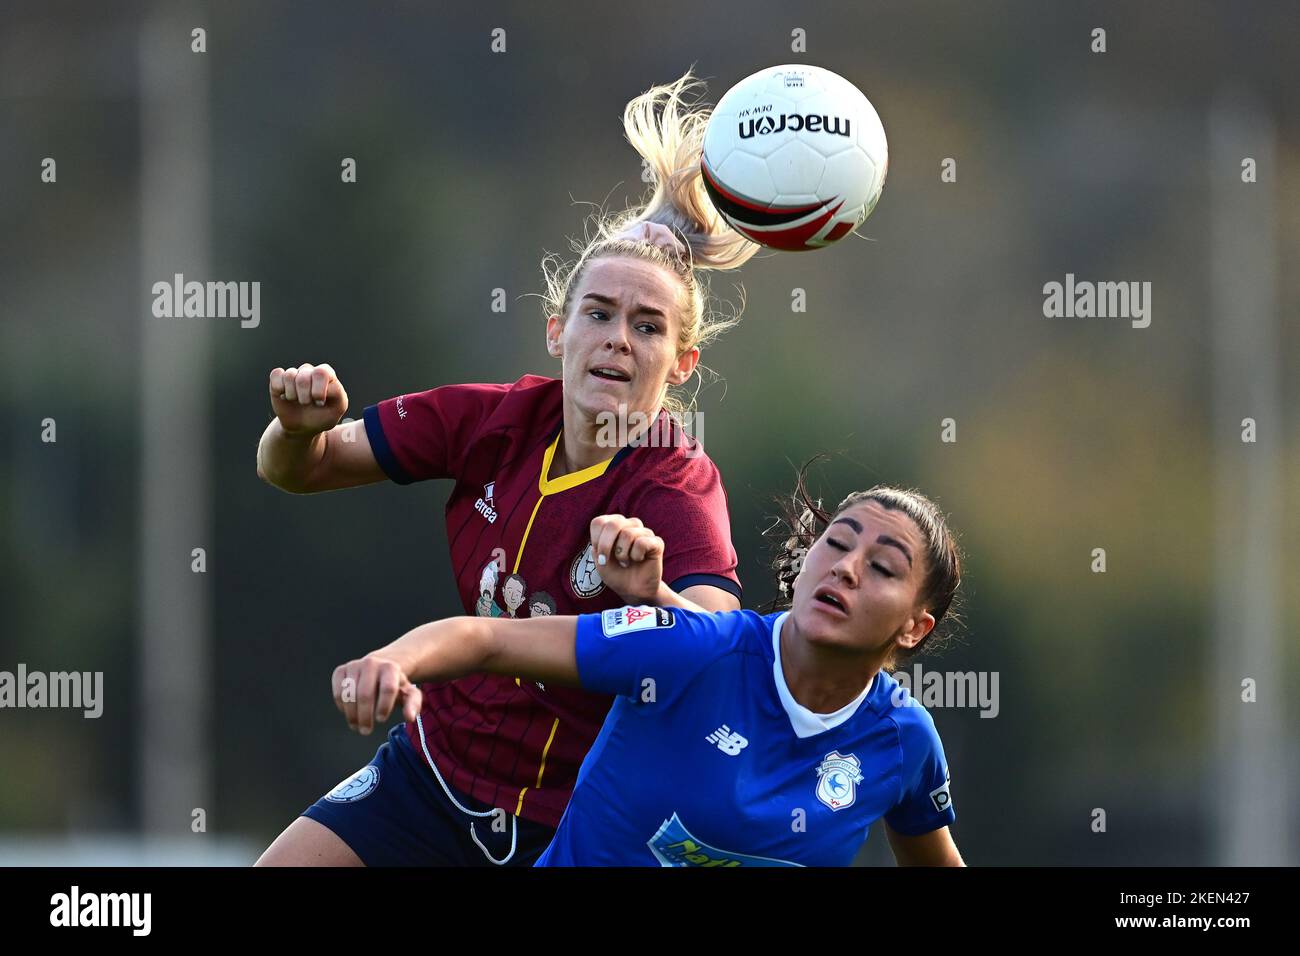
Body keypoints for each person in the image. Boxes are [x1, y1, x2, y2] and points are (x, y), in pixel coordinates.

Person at [254, 70, 761, 867]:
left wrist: (653, 592)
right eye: (598, 314)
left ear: (684, 361)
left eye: (647, 325)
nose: (618, 339)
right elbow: (298, 469)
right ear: (558, 331)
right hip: (429, 777)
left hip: (574, 825)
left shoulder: (677, 481)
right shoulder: (490, 419)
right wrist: (292, 427)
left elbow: (716, 648)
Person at [331, 482, 967, 866]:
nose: (846, 568)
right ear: (803, 564)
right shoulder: (693, 649)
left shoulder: (902, 740)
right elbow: (488, 638)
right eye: (836, 542)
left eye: (883, 568)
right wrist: (391, 662)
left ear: (915, 628)